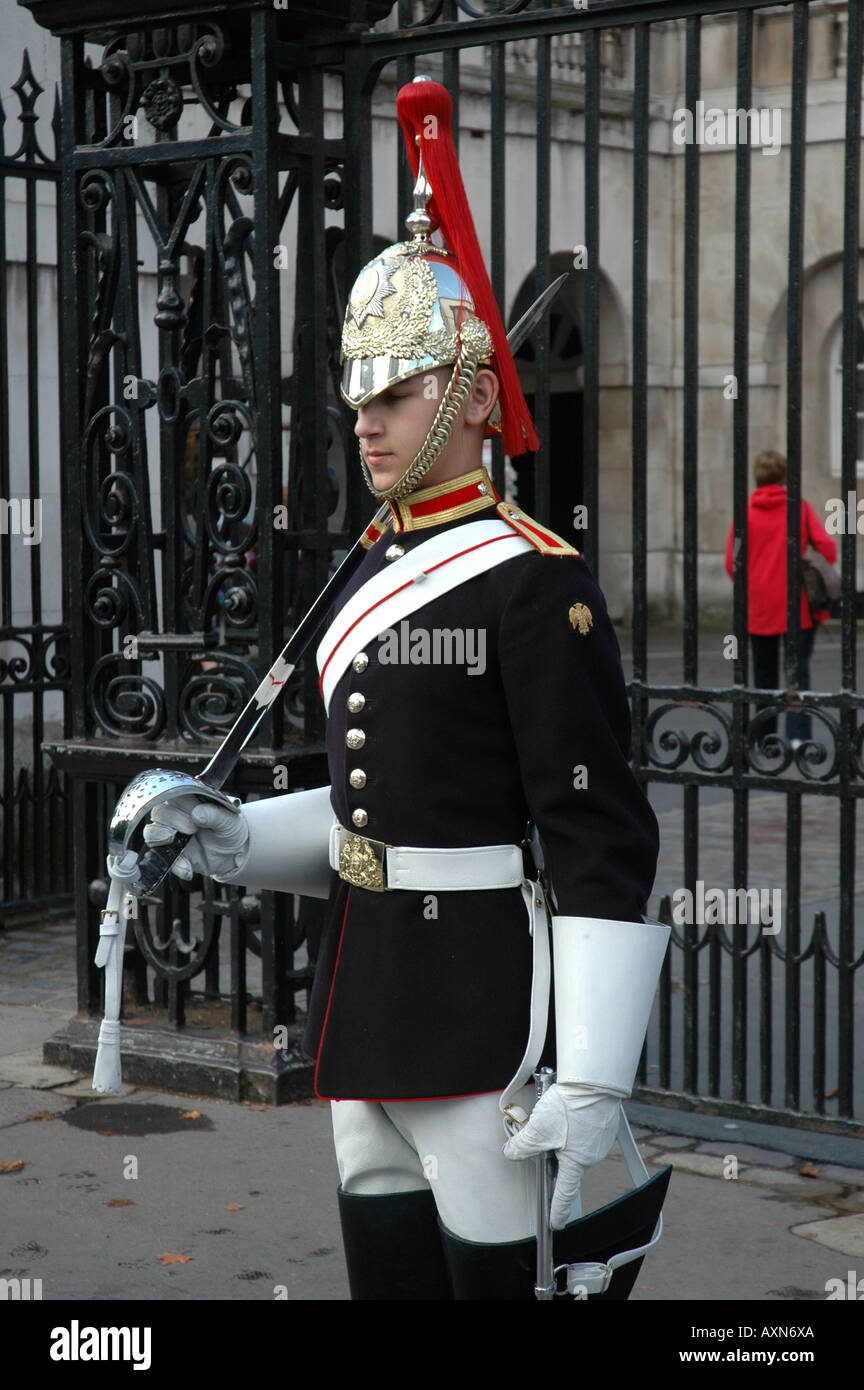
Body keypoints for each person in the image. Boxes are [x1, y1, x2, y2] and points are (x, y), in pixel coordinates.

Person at [143, 78, 668, 1300]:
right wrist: (236, 835)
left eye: (395, 393)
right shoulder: (376, 557)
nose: (364, 423)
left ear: (473, 397)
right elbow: (375, 808)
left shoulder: (539, 586)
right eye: (358, 395)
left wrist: (591, 1067)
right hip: (368, 990)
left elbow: (597, 830)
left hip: (483, 1008)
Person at [724, 450, 837, 748]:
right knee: (797, 673)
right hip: (797, 605)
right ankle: (799, 736)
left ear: (756, 477)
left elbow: (730, 563)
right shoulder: (799, 509)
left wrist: (756, 582)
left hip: (759, 606)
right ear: (784, 475)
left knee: (763, 675)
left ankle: (766, 735)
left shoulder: (744, 514)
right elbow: (828, 548)